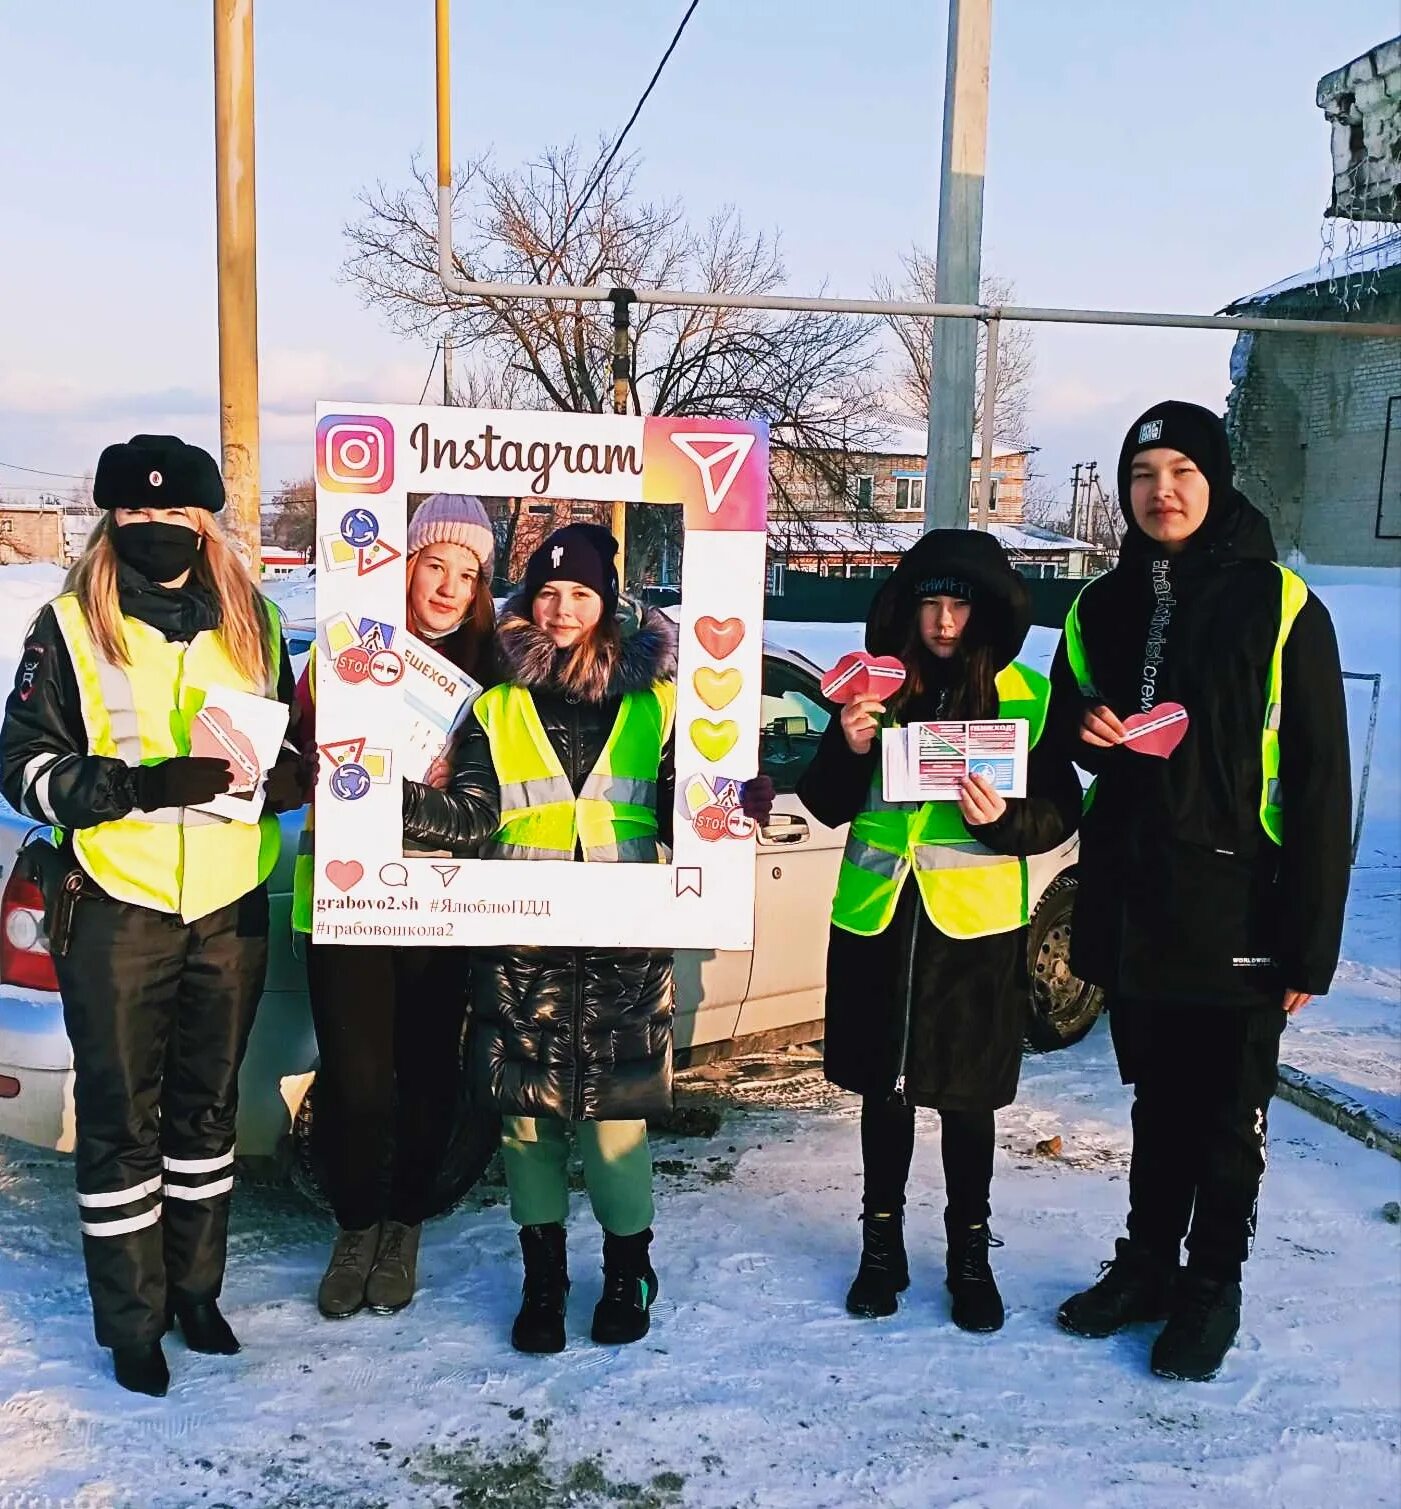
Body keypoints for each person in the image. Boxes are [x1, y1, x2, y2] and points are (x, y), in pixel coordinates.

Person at [409, 523, 772, 1353]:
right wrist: (380, 799)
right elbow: (471, 817)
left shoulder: (661, 701)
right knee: (526, 1121)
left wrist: (738, 800)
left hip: (624, 943)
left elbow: (691, 806)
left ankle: (627, 1270)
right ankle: (543, 1281)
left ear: (608, 603)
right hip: (519, 944)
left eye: (579, 593)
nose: (561, 608)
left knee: (616, 1120)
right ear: (527, 601)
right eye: (547, 592)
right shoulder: (495, 704)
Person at [1050, 401, 1351, 1382]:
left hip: (1241, 908)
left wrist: (1309, 941)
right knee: (1157, 1105)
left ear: (1215, 482)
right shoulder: (1098, 606)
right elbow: (1061, 733)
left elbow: (1320, 782)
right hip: (1138, 906)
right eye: (1143, 476)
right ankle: (1145, 1265)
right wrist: (1082, 727)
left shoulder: (1280, 603)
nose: (1162, 492)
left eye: (1182, 471)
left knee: (1226, 1117)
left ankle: (1210, 1285)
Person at [0, 435, 305, 1396]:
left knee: (207, 1110)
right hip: (117, 906)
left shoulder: (257, 619)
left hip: (228, 905)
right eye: (136, 513)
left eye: (174, 514)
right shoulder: (67, 624)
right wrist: (135, 786)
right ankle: (132, 1322)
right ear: (111, 520)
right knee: (121, 1120)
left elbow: (291, 741)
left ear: (204, 523)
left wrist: (291, 778)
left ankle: (196, 1291)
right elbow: (22, 770)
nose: (155, 527)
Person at [798, 529, 1081, 1333]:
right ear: (906, 609)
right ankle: (879, 1250)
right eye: (931, 604)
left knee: (967, 1101)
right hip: (878, 918)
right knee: (882, 1092)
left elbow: (1060, 810)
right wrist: (848, 745)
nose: (945, 622)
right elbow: (823, 801)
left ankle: (969, 1258)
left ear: (987, 612)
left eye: (960, 605)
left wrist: (1004, 822)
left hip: (974, 931)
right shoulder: (876, 688)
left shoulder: (1027, 695)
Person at [291, 493, 500, 1321]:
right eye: (434, 563)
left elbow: (487, 806)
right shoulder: (343, 648)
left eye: (467, 573)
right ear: (404, 565)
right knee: (354, 1081)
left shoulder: (493, 676)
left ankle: (403, 1225)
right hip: (344, 895)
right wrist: (315, 762)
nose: (448, 586)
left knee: (427, 1074)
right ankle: (355, 1227)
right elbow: (293, 755)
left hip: (440, 901)